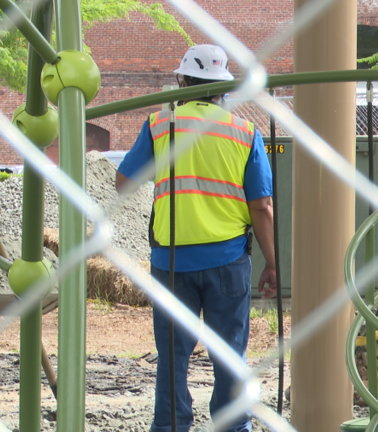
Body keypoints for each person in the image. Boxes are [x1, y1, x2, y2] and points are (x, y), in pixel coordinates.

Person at [115, 44, 276, 432]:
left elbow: (124, 181)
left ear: (182, 81)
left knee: (172, 356)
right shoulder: (244, 131)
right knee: (230, 355)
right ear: (223, 89)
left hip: (171, 263)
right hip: (228, 262)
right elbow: (262, 207)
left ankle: (171, 426)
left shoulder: (160, 124)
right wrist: (272, 262)